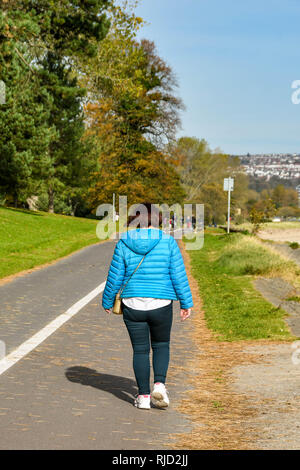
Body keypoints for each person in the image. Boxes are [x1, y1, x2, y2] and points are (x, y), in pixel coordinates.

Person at [102, 203, 193, 410]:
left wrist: (107, 300)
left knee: (140, 351)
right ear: (158, 219)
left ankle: (143, 397)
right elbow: (178, 275)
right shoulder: (168, 242)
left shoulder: (124, 242)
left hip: (132, 303)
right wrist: (186, 302)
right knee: (161, 344)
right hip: (161, 302)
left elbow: (115, 276)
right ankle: (159, 385)